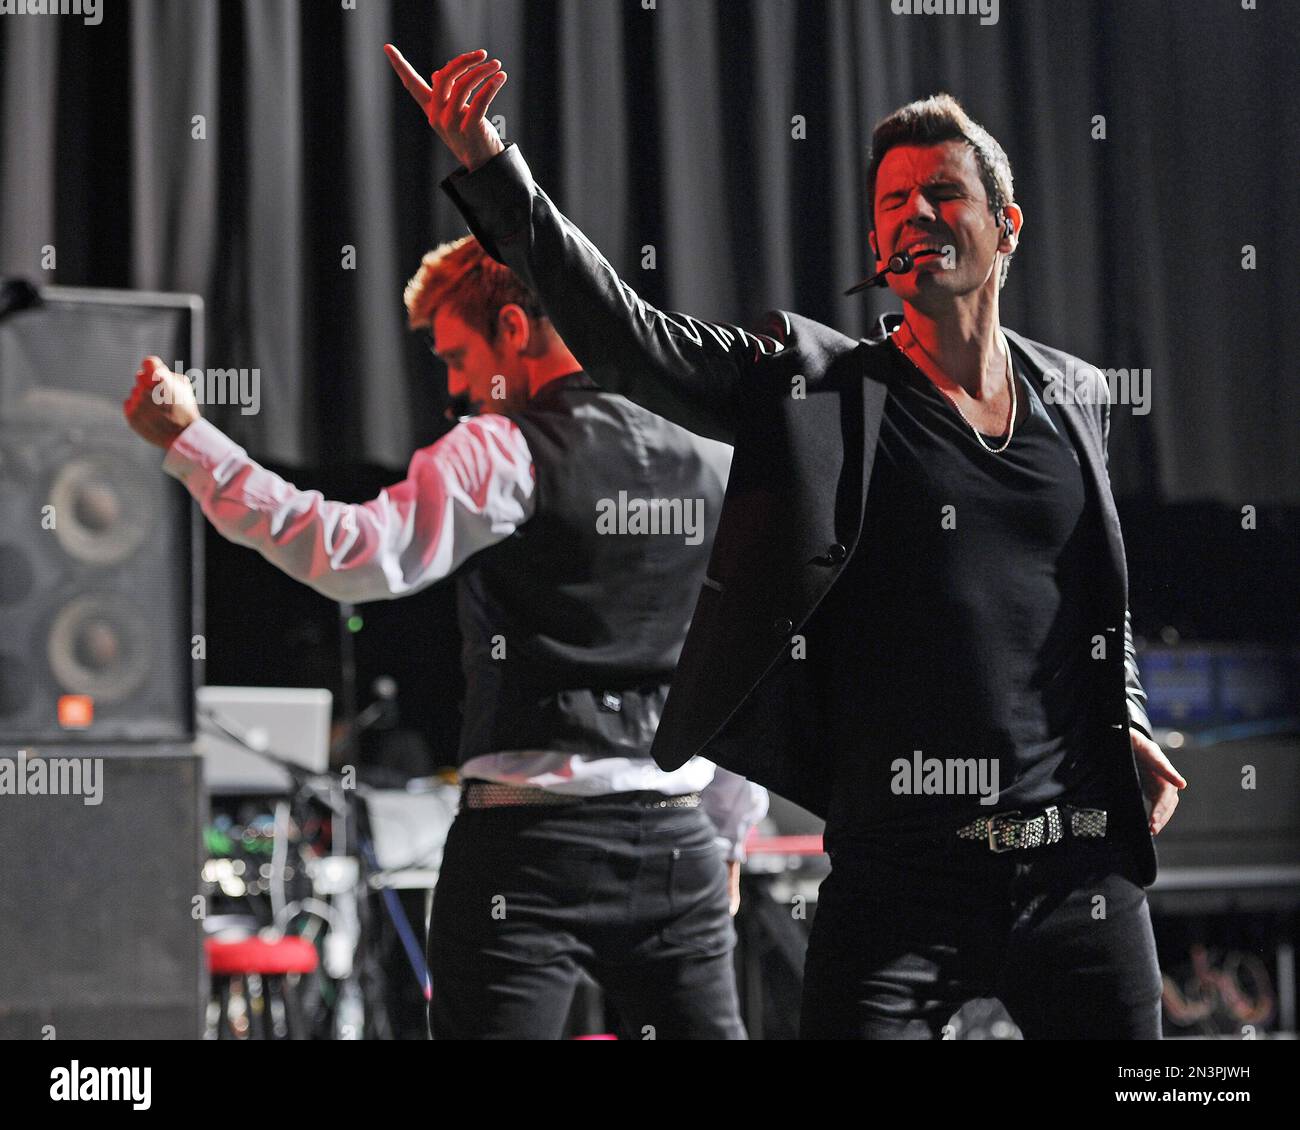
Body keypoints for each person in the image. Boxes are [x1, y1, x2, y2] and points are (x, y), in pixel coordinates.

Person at [384, 45, 1188, 1040]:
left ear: (1006, 226)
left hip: (1075, 872)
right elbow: (635, 340)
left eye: (942, 193)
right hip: (901, 875)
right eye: (892, 204)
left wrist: (1124, 707)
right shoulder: (823, 387)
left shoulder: (1076, 393)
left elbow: (1090, 591)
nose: (914, 217)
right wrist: (495, 170)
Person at [123, 234, 766, 1040]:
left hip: (530, 845)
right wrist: (730, 833)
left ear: (515, 329)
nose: (457, 387)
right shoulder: (712, 453)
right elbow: (745, 665)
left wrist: (192, 442)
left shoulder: (504, 450)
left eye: (458, 357)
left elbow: (349, 553)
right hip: (679, 845)